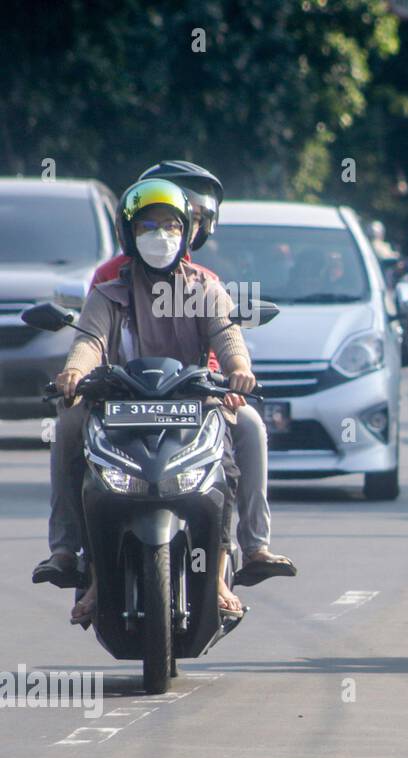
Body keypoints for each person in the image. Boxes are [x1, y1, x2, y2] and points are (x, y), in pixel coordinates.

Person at [32, 160, 296, 593]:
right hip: (117, 400)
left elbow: (227, 335)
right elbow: (89, 339)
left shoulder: (206, 287)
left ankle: (250, 551)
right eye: (149, 226)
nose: (161, 235)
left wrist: (239, 372)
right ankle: (67, 553)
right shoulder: (108, 289)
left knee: (249, 426)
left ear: (187, 231)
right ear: (129, 233)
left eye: (171, 225)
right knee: (66, 426)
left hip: (192, 399)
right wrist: (75, 372)